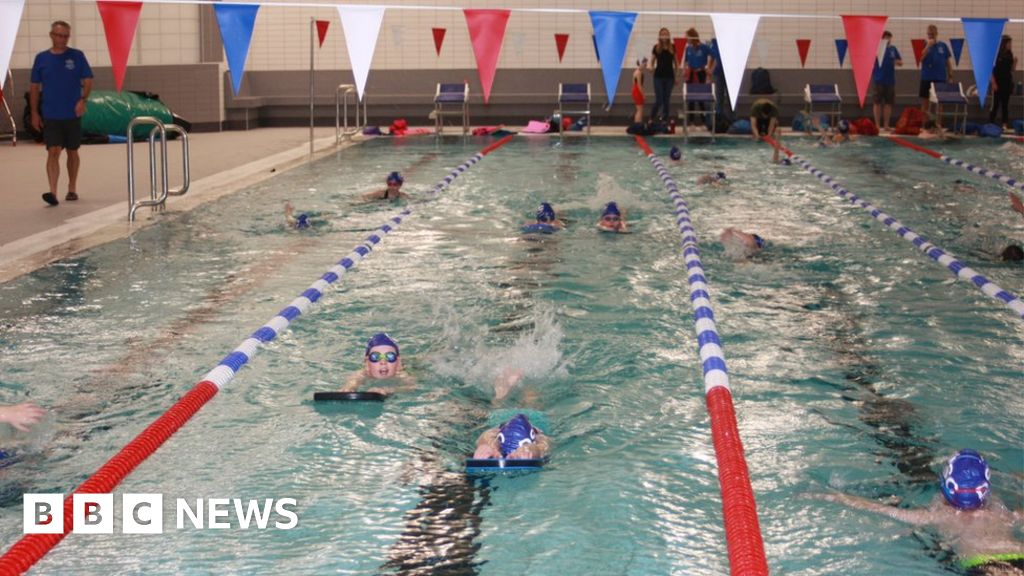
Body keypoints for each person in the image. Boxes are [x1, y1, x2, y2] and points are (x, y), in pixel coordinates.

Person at [813, 450, 1024, 574]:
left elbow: (880, 509)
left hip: (983, 567)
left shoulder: (937, 515)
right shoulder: (1003, 513)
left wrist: (830, 495)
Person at [30, 21, 93, 207]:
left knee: (73, 151)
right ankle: (53, 192)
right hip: (51, 113)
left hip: (72, 113)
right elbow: (34, 87)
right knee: (53, 151)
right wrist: (34, 112)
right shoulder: (41, 58)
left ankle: (72, 187)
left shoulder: (77, 56)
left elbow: (88, 80)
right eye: (59, 35)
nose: (62, 39)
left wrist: (83, 99)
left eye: (66, 36)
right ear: (51, 35)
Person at [341, 333, 415, 396]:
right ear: (367, 363)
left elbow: (410, 388)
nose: (383, 362)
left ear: (398, 363)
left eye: (390, 356)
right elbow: (352, 382)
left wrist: (387, 390)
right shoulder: (362, 373)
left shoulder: (402, 374)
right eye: (375, 357)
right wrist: (348, 388)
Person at [472, 412, 551, 460]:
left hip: (536, 416)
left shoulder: (539, 436)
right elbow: (488, 434)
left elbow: (543, 446)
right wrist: (487, 446)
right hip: (500, 415)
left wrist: (531, 450)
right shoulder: (498, 431)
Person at [682, 28, 715, 123]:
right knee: (690, 98)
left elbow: (714, 56)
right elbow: (686, 61)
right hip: (691, 74)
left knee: (701, 98)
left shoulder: (703, 47)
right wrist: (684, 70)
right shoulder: (688, 48)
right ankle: (691, 121)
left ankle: (704, 120)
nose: (686, 39)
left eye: (687, 37)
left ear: (692, 37)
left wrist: (710, 69)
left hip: (701, 73)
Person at [872, 31, 903, 132]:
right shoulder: (877, 48)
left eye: (890, 38)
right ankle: (877, 125)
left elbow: (900, 62)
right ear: (882, 39)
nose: (888, 40)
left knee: (888, 103)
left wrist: (896, 61)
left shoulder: (893, 49)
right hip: (879, 79)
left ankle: (886, 125)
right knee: (877, 102)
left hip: (890, 80)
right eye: (886, 38)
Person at [919, 25, 952, 113]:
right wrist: (927, 47)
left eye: (932, 34)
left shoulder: (943, 45)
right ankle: (924, 124)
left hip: (940, 78)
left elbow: (948, 62)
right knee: (925, 102)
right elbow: (920, 59)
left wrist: (950, 75)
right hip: (926, 77)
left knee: (940, 102)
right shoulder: (923, 45)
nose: (931, 36)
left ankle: (938, 123)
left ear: (936, 34)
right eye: (929, 34)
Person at [649, 28, 678, 122]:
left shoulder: (672, 47)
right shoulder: (656, 47)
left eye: (666, 34)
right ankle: (651, 118)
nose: (664, 36)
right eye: (662, 34)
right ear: (660, 36)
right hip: (658, 77)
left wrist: (676, 77)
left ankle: (665, 120)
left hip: (670, 77)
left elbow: (677, 64)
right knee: (659, 100)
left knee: (666, 100)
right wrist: (651, 67)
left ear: (668, 35)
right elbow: (652, 62)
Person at [989, 35, 1017, 129]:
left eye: (1010, 43)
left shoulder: (1010, 54)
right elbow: (991, 70)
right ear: (1004, 44)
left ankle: (1004, 124)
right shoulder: (996, 55)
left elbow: (1012, 70)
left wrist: (1015, 63)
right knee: (995, 105)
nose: (1010, 45)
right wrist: (993, 82)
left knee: (1005, 105)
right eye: (1009, 43)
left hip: (1007, 82)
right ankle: (991, 123)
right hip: (997, 82)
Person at [750, 98, 781, 164]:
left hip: (769, 118)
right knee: (757, 131)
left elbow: (771, 125)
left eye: (767, 116)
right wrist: (757, 136)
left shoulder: (774, 110)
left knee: (769, 132)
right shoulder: (755, 108)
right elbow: (753, 125)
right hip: (758, 117)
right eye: (764, 115)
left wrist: (769, 136)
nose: (765, 117)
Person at [631, 58, 647, 124]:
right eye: (645, 63)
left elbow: (633, 83)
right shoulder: (639, 73)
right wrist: (643, 95)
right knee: (640, 110)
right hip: (637, 91)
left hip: (635, 90)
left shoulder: (636, 71)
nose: (646, 65)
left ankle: (637, 125)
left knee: (639, 110)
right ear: (641, 63)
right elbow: (639, 85)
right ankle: (638, 125)